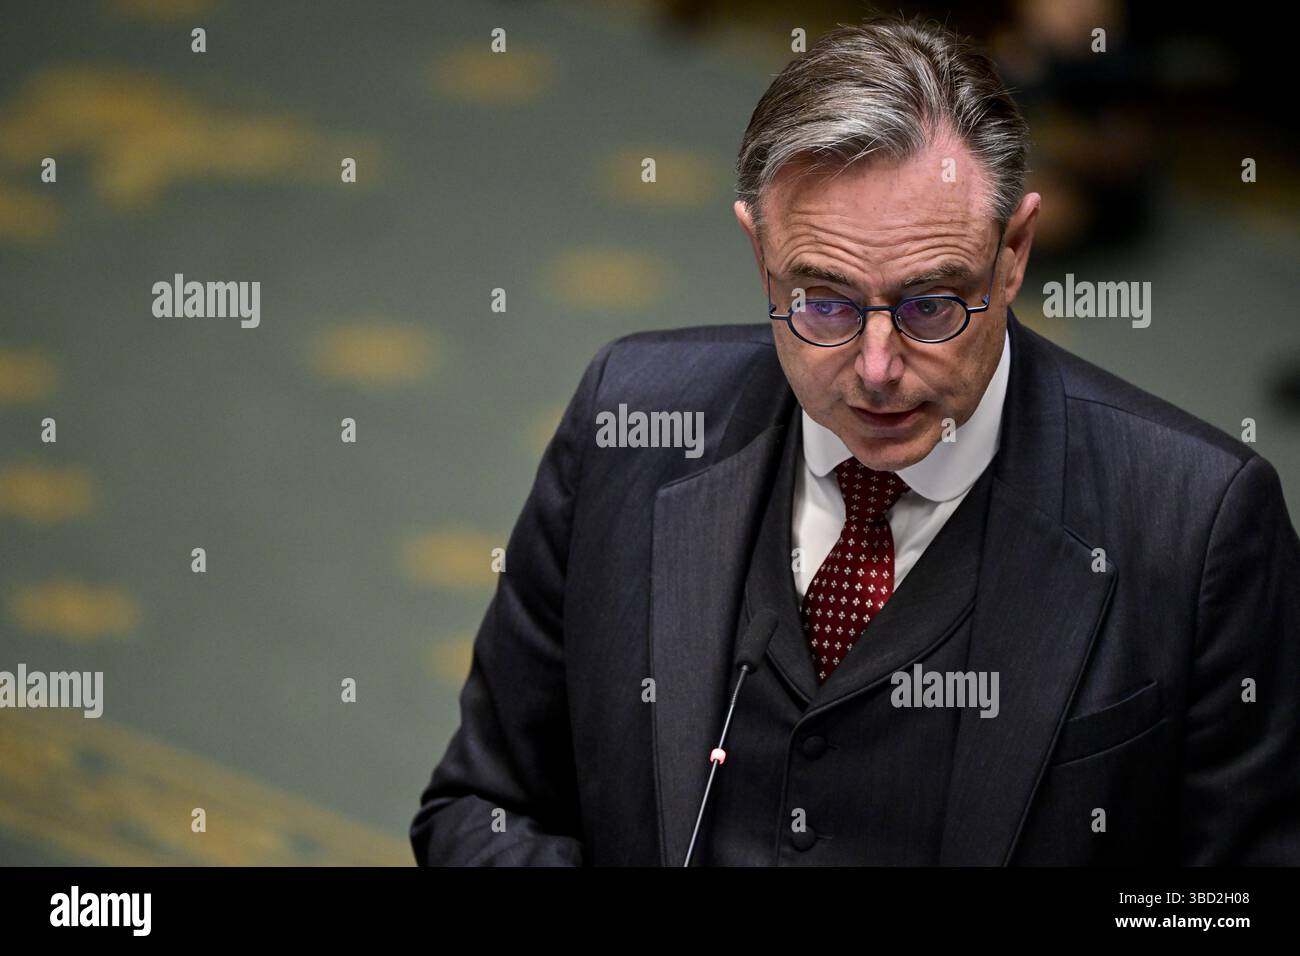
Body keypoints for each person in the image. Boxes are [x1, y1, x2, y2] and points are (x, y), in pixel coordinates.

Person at [411, 15, 1300, 866]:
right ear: (761, 257)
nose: (877, 368)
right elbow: (483, 806)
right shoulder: (629, 423)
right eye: (825, 302)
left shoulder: (1200, 526)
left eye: (930, 305)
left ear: (1016, 250)